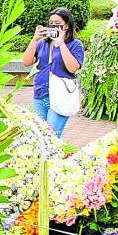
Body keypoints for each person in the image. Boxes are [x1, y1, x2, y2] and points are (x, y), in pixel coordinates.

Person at [21, 8, 85, 138]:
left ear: (66, 25)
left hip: (60, 95)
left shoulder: (75, 45)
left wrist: (61, 43)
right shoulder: (43, 43)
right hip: (41, 94)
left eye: (57, 23)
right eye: (51, 23)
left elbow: (73, 68)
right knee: (40, 136)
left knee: (51, 137)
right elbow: (27, 62)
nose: (54, 26)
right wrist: (34, 40)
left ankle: (55, 158)